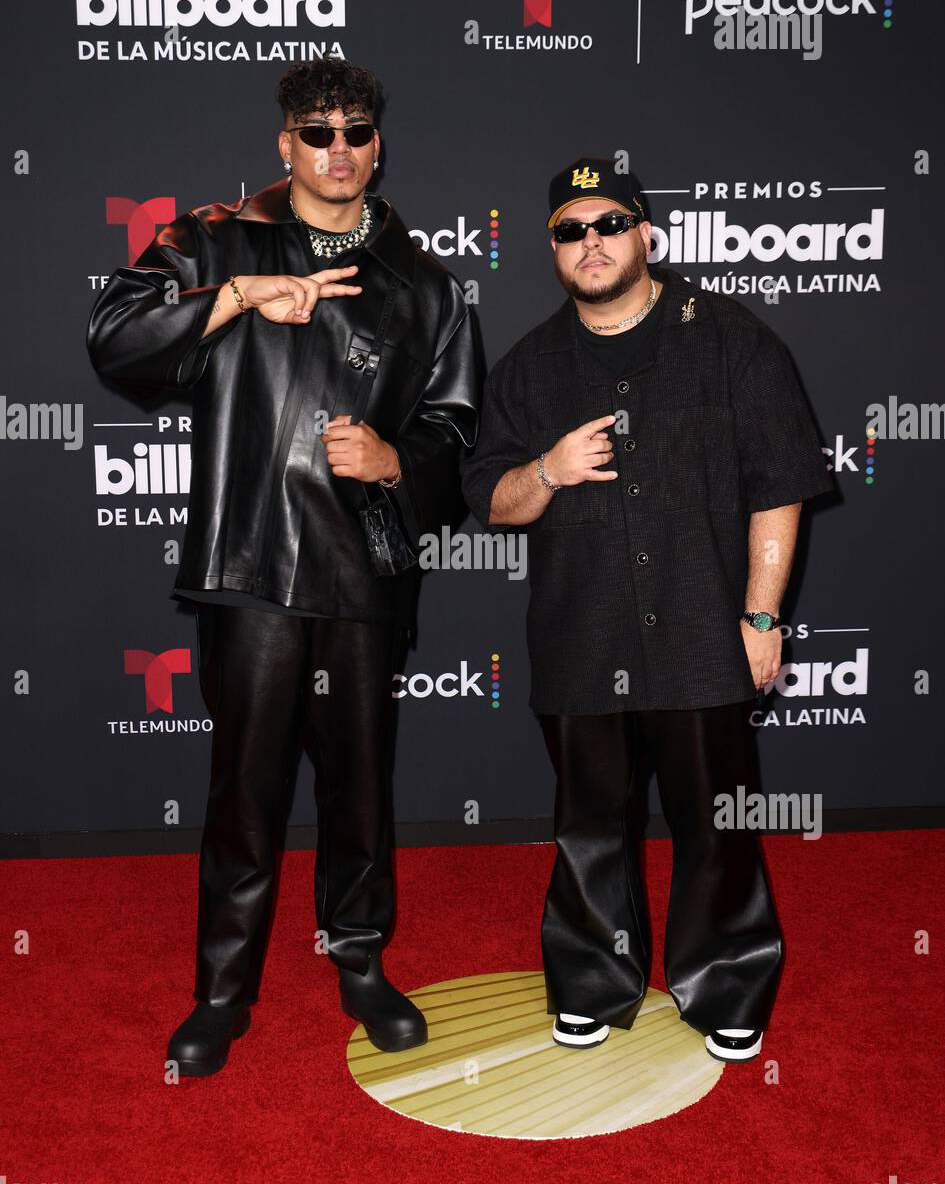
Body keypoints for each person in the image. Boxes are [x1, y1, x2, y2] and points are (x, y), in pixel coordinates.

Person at [87, 58, 484, 1075]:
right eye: (318, 133)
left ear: (378, 142)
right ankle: (222, 991)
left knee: (361, 787)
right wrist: (235, 297)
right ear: (285, 144)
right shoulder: (211, 237)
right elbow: (115, 337)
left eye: (355, 131)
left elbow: (456, 429)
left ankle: (359, 964)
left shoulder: (426, 282)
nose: (338, 150)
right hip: (251, 562)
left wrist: (398, 459)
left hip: (363, 571)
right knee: (244, 789)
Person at [461, 156, 834, 1063]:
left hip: (704, 629)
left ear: (645, 235)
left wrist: (758, 616)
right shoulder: (529, 367)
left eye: (608, 224)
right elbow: (489, 501)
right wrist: (545, 470)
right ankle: (593, 981)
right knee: (589, 827)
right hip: (580, 634)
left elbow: (778, 485)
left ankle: (727, 984)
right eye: (568, 231)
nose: (590, 243)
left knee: (718, 826)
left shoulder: (730, 339)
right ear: (551, 251)